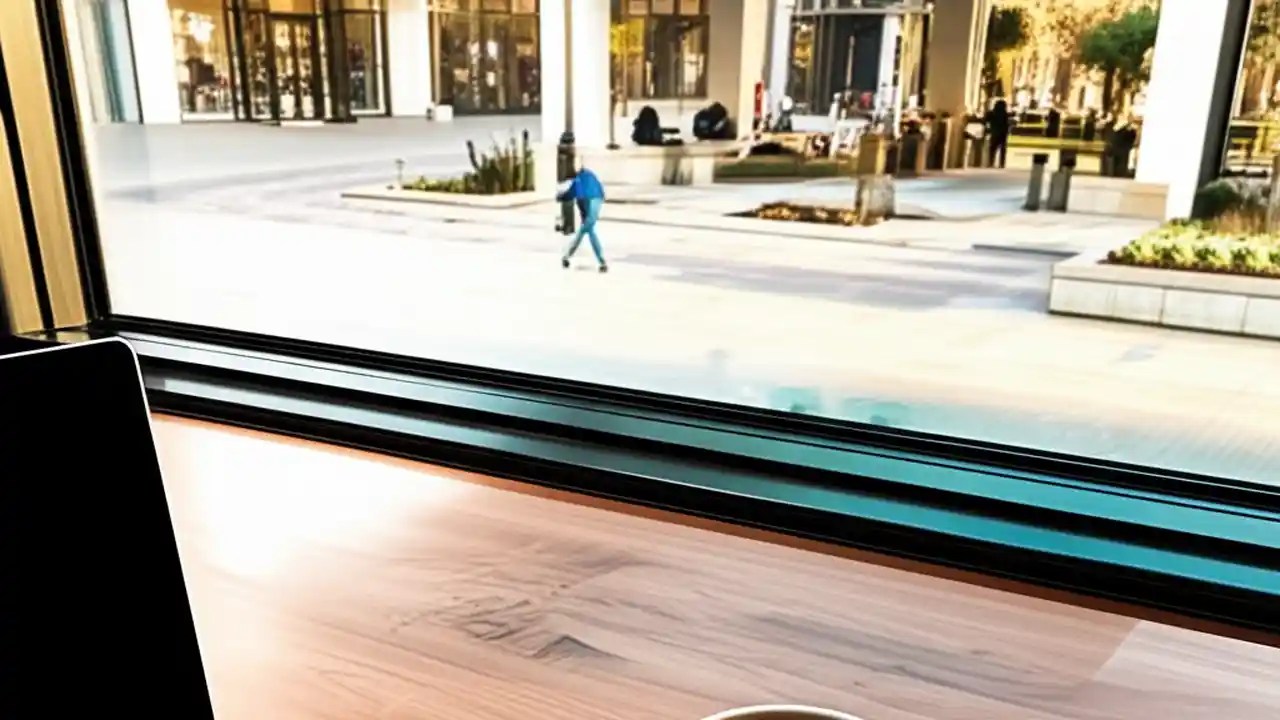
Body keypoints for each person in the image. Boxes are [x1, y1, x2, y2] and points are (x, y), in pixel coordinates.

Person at [557, 162, 608, 273]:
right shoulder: (592, 177)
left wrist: (560, 197)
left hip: (590, 202)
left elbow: (572, 194)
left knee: (584, 231)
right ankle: (567, 257)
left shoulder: (578, 180)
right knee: (588, 230)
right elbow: (602, 192)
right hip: (597, 201)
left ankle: (601, 261)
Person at [984, 99, 1011, 168]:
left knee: (992, 148)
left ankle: (991, 162)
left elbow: (986, 119)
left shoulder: (993, 113)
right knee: (1003, 149)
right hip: (1003, 133)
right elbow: (1007, 123)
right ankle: (1002, 164)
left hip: (995, 132)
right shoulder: (1005, 114)